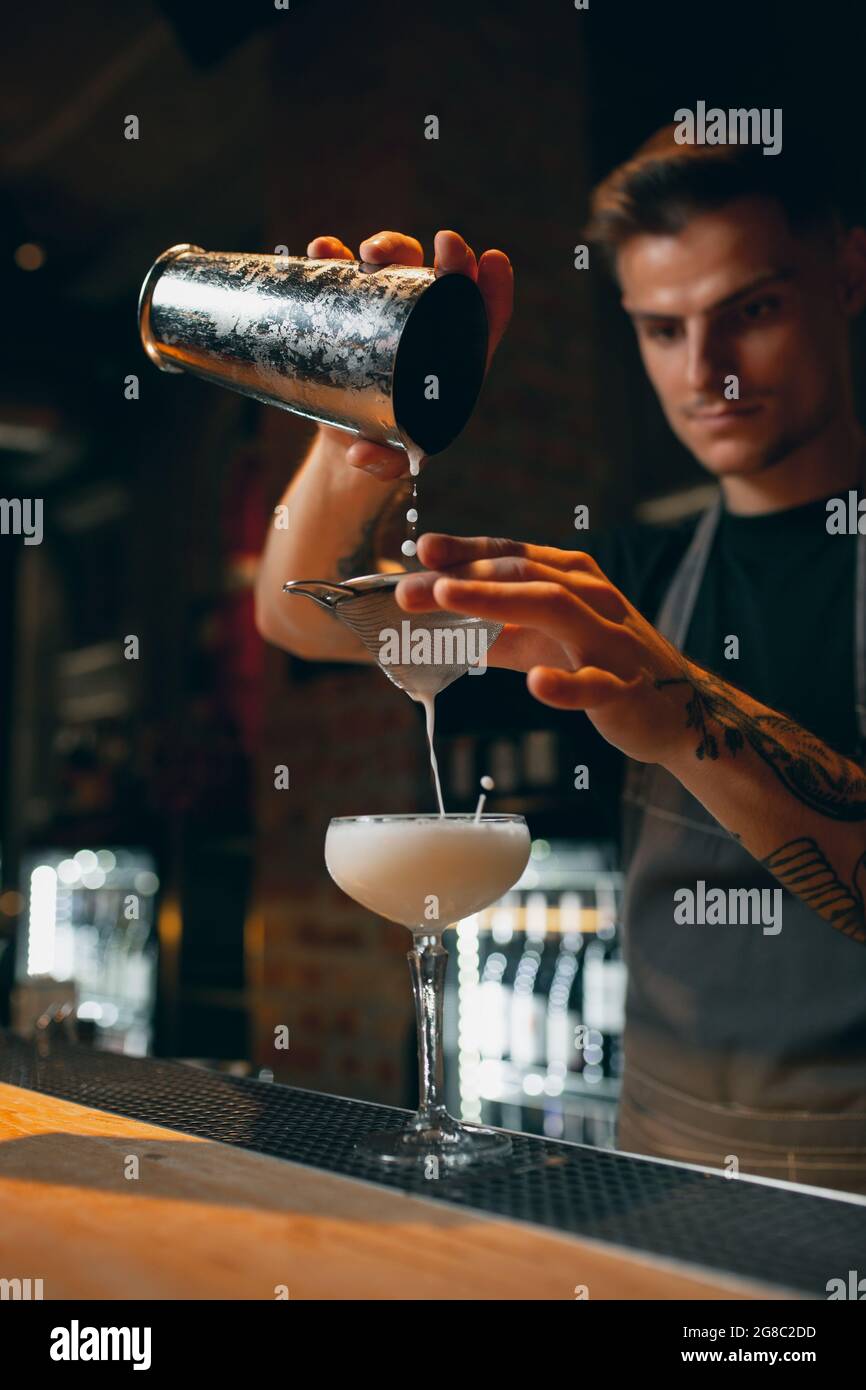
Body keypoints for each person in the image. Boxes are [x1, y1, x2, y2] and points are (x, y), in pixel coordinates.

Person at [256, 126, 866, 1194]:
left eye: (751, 311)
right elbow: (300, 616)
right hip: (662, 1157)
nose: (704, 372)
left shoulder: (621, 623)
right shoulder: (635, 580)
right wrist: (364, 406)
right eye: (660, 329)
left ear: (847, 275)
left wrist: (681, 711)